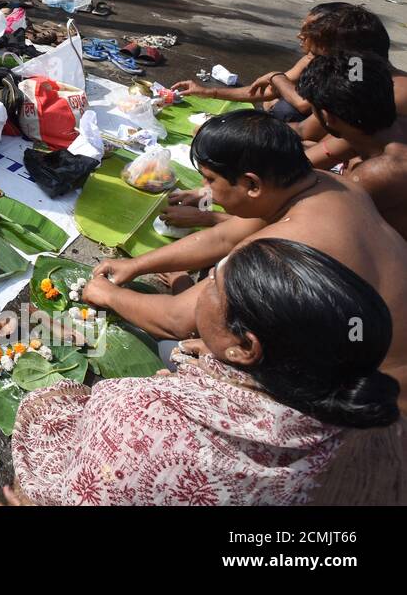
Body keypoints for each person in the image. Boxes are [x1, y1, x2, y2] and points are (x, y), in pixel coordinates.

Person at [0, 240, 404, 506]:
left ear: (246, 347)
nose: (203, 288)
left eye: (213, 283)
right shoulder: (374, 415)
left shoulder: (136, 418)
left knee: (51, 408)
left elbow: (92, 489)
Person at [82, 110, 407, 416]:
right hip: (362, 369)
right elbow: (223, 238)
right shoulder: (326, 184)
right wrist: (136, 265)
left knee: (174, 348)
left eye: (210, 180)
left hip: (372, 409)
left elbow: (178, 320)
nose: (205, 191)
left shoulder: (285, 244)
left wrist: (108, 294)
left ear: (252, 184)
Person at [267, 5, 407, 168]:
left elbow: (306, 139)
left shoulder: (374, 98)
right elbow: (308, 136)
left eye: (322, 55)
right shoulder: (365, 84)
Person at [171, 1, 352, 120]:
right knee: (272, 102)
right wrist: (208, 92)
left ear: (328, 37)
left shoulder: (349, 69)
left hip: (318, 137)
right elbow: (267, 91)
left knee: (282, 106)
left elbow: (303, 105)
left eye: (308, 31)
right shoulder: (310, 59)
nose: (300, 35)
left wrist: (276, 77)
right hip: (301, 129)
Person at [296, 51, 407, 239]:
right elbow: (300, 167)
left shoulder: (379, 172)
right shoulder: (378, 130)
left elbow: (314, 222)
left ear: (327, 117)